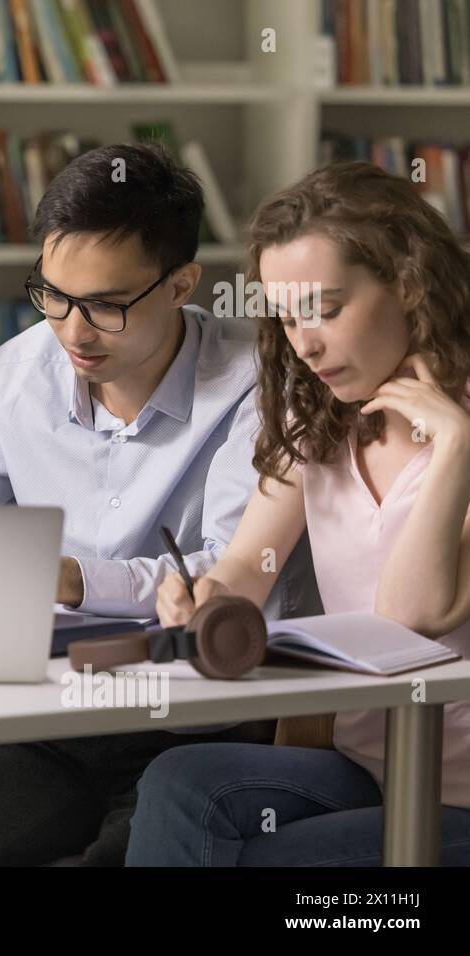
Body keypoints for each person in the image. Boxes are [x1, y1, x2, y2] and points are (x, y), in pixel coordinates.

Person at [0, 143, 317, 867]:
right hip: (59, 715)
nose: (72, 331)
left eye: (107, 305)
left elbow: (235, 568)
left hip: (207, 724)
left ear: (181, 284)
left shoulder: (256, 380)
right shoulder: (22, 369)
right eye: (52, 294)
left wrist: (78, 579)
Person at [127, 161, 470, 866]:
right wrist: (201, 598)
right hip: (373, 770)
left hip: (457, 796)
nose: (303, 345)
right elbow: (245, 569)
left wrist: (456, 445)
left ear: (407, 282)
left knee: (265, 861)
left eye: (325, 309)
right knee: (179, 785)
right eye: (287, 318)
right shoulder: (317, 417)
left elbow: (408, 614)